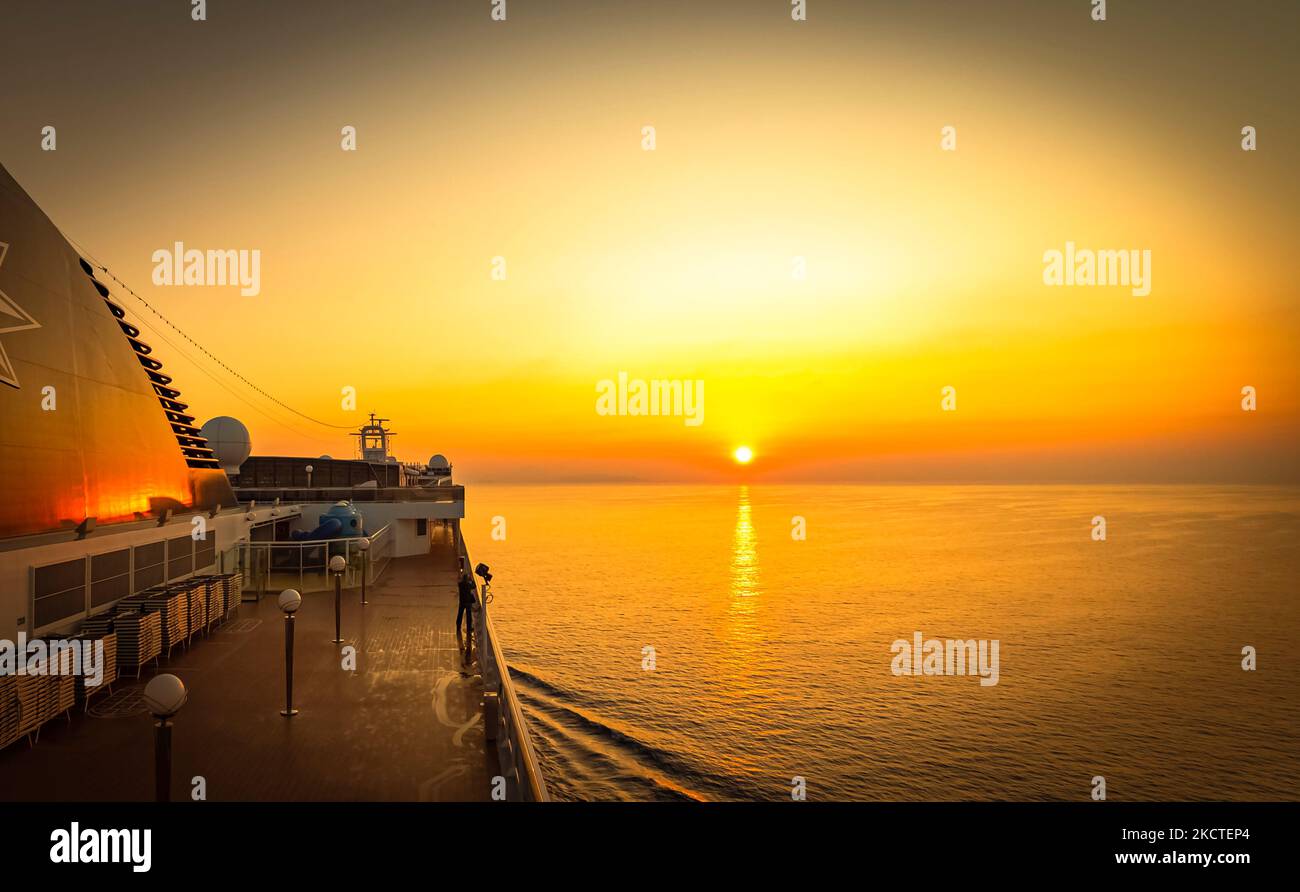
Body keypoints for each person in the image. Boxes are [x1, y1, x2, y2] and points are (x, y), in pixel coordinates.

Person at [456, 567, 477, 635]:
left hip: (462, 602)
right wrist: (472, 580)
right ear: (467, 579)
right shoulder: (468, 585)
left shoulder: (460, 584)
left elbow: (459, 581)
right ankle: (469, 628)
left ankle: (458, 627)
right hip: (468, 602)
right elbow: (474, 586)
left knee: (460, 615)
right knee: (469, 616)